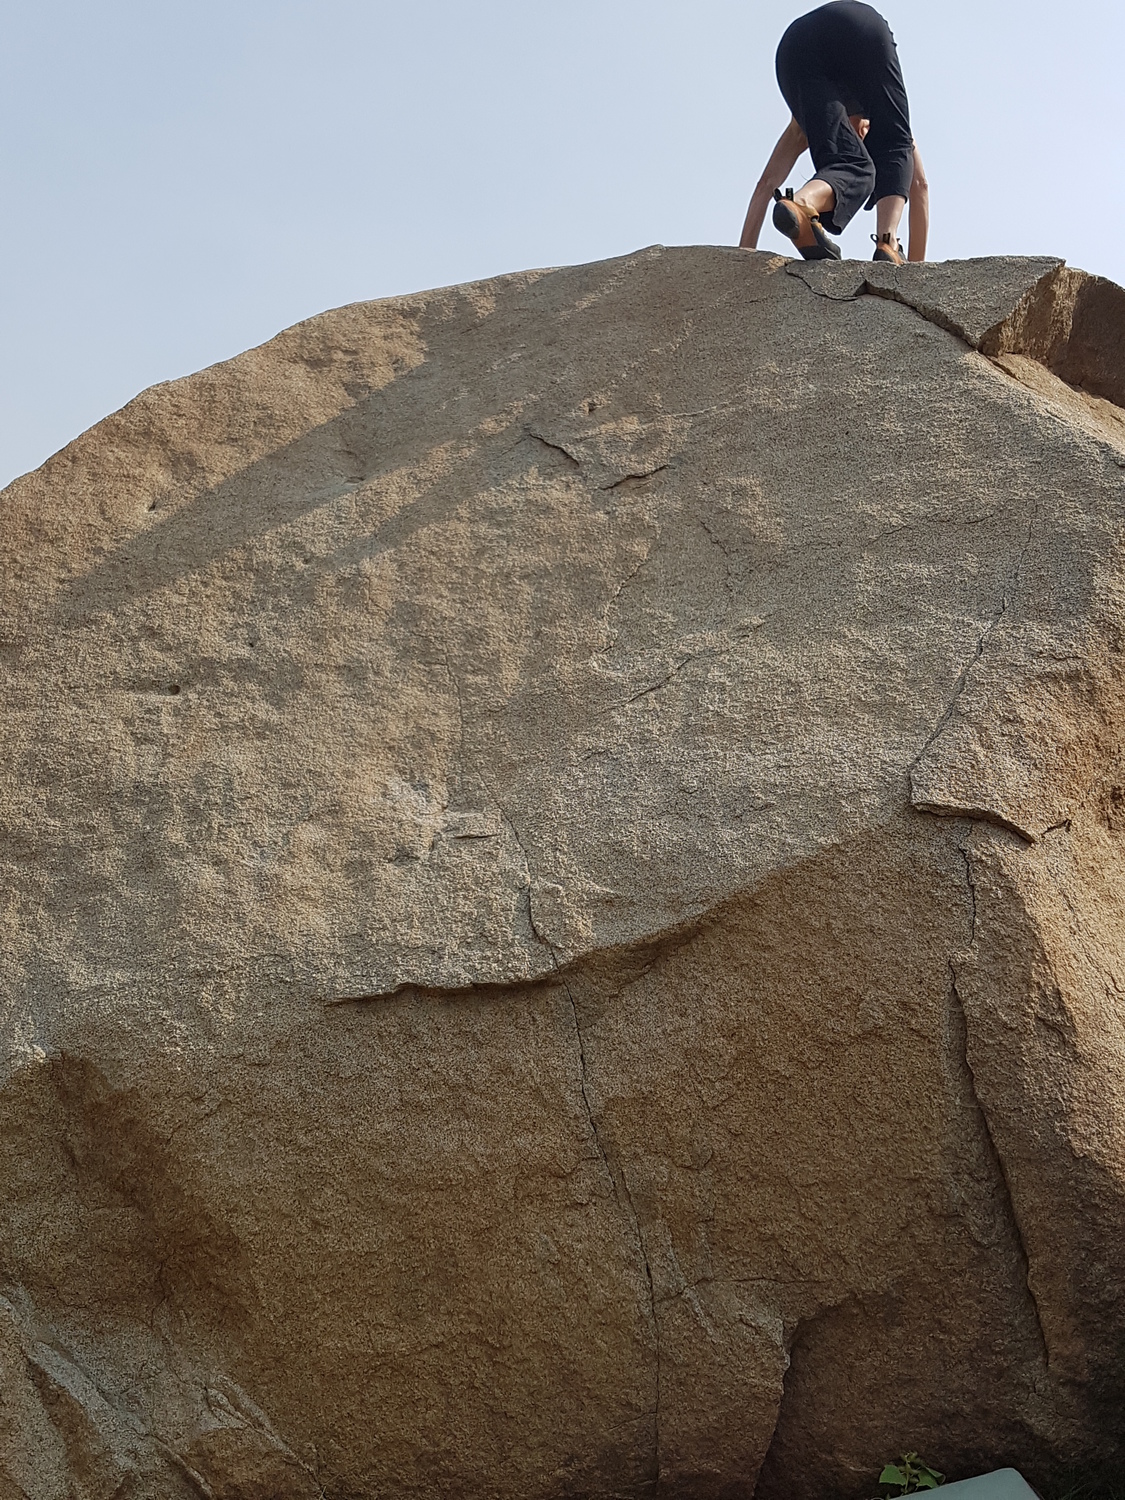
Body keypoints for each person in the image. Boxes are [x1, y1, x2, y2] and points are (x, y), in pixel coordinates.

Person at [739, 1, 928, 265]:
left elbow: (765, 185)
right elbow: (918, 186)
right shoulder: (887, 131)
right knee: (871, 160)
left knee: (855, 161)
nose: (858, 139)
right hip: (859, 30)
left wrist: (743, 254)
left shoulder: (802, 125)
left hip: (794, 46)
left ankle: (803, 206)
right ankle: (888, 240)